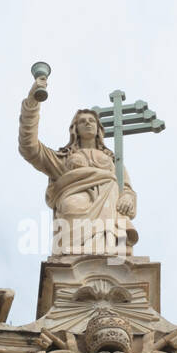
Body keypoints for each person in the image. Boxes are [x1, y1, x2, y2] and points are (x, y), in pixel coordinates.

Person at [18, 77, 138, 256]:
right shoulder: (63, 159)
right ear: (75, 129)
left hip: (110, 210)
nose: (88, 123)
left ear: (99, 129)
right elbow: (29, 147)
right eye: (83, 121)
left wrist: (128, 197)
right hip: (74, 208)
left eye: (92, 121)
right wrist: (32, 102)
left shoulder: (113, 161)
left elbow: (126, 188)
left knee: (114, 259)